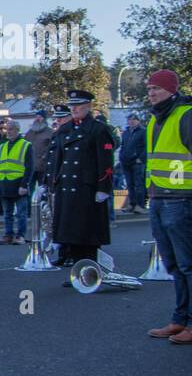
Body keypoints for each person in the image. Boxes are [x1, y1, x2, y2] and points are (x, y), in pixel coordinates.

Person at [143, 70, 192, 345]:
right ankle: (180, 319)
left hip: (183, 199)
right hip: (160, 198)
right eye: (149, 88)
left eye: (157, 88)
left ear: (171, 90)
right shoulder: (156, 118)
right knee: (174, 264)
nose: (151, 92)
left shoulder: (187, 115)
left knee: (189, 264)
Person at [50, 89, 114, 283]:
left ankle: (90, 273)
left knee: (88, 236)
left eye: (78, 105)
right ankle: (77, 274)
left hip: (87, 189)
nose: (74, 109)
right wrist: (53, 184)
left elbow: (105, 162)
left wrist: (104, 188)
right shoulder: (64, 129)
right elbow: (58, 160)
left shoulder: (98, 129)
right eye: (72, 105)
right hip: (68, 187)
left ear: (88, 107)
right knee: (72, 235)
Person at [0, 119, 34, 245]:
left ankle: (20, 235)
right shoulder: (2, 146)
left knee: (21, 213)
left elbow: (30, 167)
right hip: (4, 184)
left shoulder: (26, 145)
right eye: (7, 129)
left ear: (17, 130)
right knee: (7, 213)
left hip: (18, 184)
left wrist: (24, 184)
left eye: (11, 129)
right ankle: (8, 234)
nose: (8, 132)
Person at [119, 113, 148, 213]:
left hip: (137, 162)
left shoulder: (143, 131)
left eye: (133, 119)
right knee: (130, 184)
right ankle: (132, 204)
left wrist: (141, 158)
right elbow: (122, 145)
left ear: (138, 121)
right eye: (129, 119)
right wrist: (121, 156)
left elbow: (147, 146)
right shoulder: (126, 132)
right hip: (126, 161)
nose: (131, 121)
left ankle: (140, 205)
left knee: (139, 184)